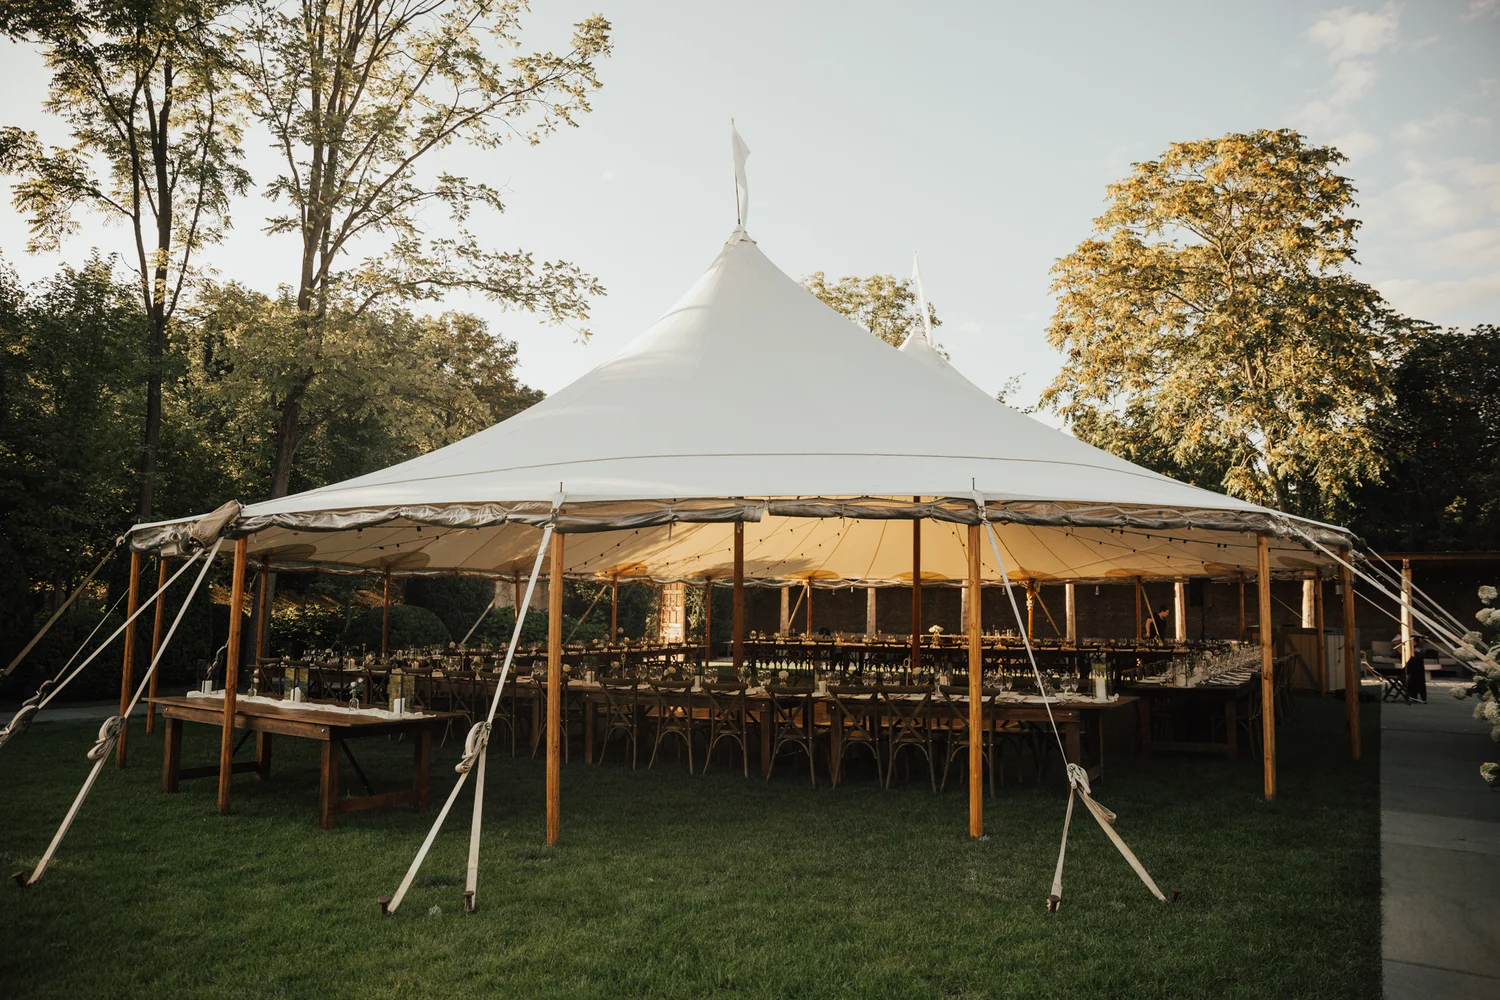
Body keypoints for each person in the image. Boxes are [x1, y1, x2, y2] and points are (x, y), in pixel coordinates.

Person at [1403, 635, 1428, 704]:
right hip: (1414, 671)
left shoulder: (1419, 651)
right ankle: (1414, 695)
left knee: (1417, 680)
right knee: (1415, 680)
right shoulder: (1415, 651)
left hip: (1417, 671)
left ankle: (1416, 695)